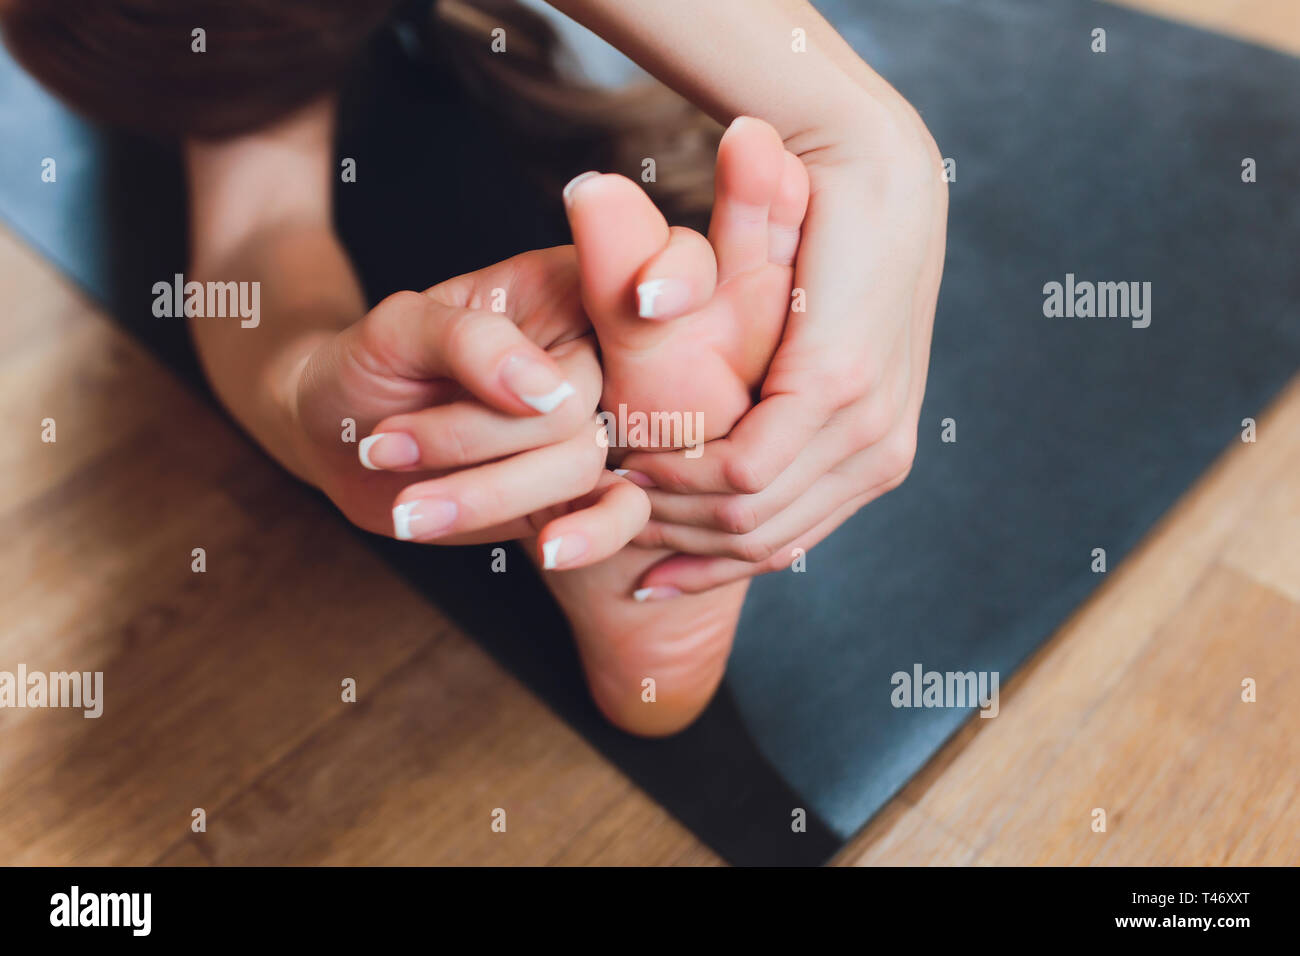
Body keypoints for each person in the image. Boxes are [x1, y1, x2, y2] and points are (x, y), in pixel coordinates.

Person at [2, 0, 947, 735]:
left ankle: (619, 517)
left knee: (272, 168)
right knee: (266, 159)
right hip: (178, 47)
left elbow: (253, 209)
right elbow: (254, 218)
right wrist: (314, 411)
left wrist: (858, 133)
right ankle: (611, 522)